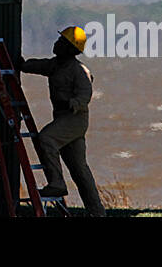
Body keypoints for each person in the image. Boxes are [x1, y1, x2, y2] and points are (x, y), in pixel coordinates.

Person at [20, 25, 106, 216]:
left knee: (46, 139)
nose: (56, 43)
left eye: (61, 42)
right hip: (63, 119)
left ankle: (56, 183)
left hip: (74, 119)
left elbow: (85, 95)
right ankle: (97, 212)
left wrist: (70, 103)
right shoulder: (56, 65)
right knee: (79, 169)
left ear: (70, 48)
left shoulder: (79, 70)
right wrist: (22, 65)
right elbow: (38, 65)